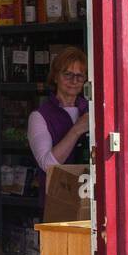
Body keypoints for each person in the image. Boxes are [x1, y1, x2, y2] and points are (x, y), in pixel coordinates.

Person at [28, 46, 90, 196]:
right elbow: (48, 165)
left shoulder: (91, 109)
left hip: (91, 197)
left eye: (79, 76)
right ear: (55, 77)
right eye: (68, 74)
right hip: (58, 200)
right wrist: (77, 130)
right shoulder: (39, 116)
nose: (74, 81)